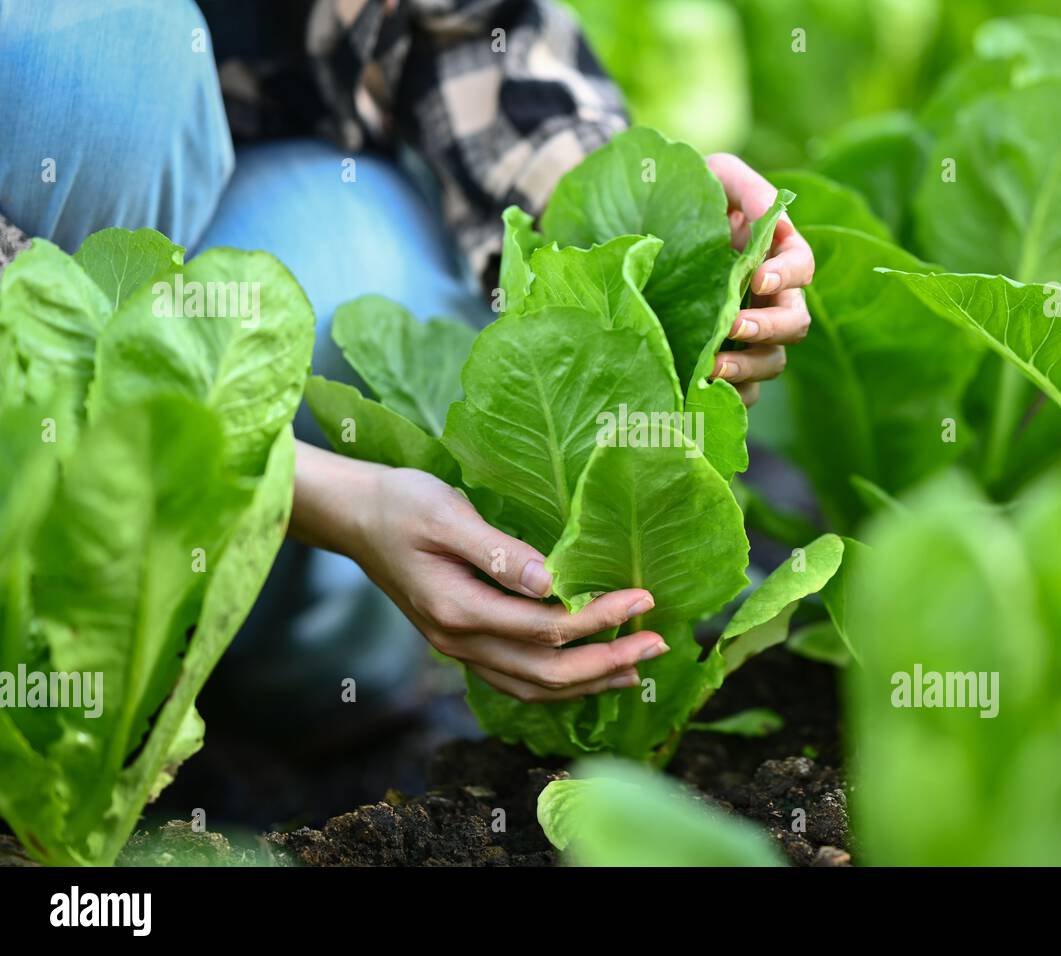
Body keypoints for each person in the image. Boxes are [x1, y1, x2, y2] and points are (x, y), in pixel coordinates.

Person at [0, 0, 813, 725]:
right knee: (98, 48)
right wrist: (330, 497)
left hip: (256, 182)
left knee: (364, 288)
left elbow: (471, 27)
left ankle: (282, 685)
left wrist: (642, 252)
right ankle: (61, 653)